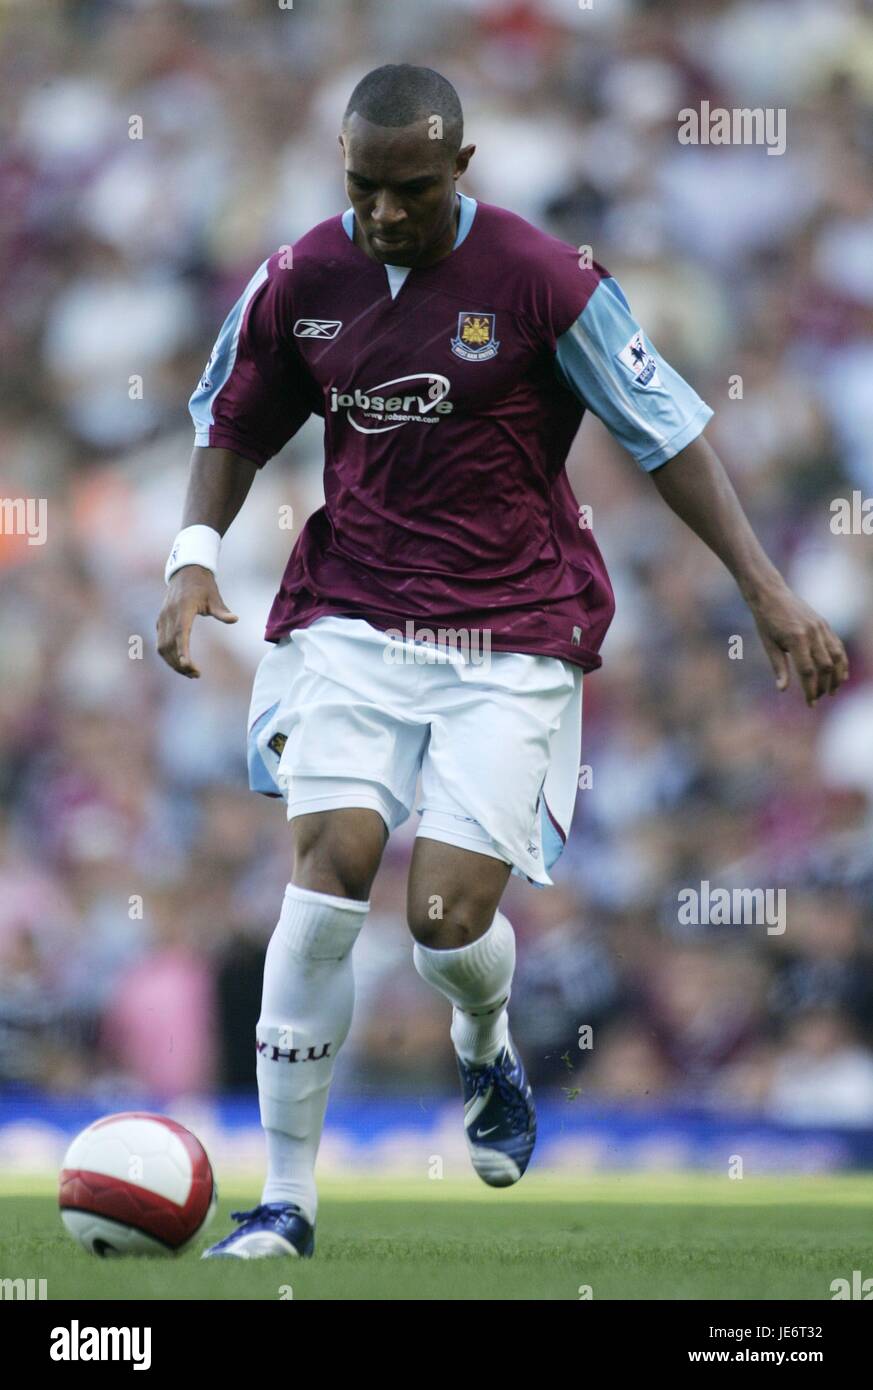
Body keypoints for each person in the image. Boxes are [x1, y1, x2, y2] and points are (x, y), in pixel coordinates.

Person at [156, 64, 848, 1259]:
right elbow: (232, 418)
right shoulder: (302, 275)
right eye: (363, 187)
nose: (383, 214)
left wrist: (768, 589)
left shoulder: (542, 278)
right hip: (352, 620)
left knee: (441, 920)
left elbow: (667, 431)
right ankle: (286, 1200)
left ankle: (485, 1045)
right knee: (328, 879)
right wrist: (191, 557)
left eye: (410, 190)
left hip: (511, 634)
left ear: (463, 170)